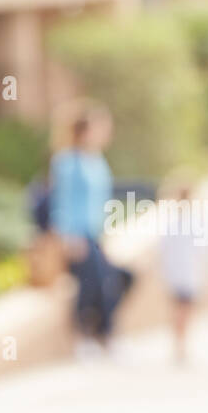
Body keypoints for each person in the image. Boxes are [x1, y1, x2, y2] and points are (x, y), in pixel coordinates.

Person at [48, 105, 134, 358]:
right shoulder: (66, 162)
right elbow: (61, 201)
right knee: (94, 280)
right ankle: (91, 335)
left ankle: (102, 331)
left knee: (123, 277)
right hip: (76, 236)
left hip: (96, 235)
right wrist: (67, 236)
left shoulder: (97, 161)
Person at [156, 170, 208, 364]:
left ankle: (180, 343)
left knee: (180, 308)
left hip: (179, 272)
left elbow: (163, 249)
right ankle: (181, 344)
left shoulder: (181, 220)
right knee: (184, 309)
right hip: (186, 272)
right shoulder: (193, 220)